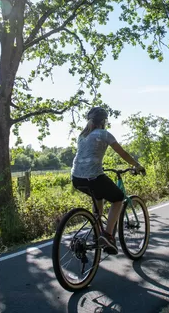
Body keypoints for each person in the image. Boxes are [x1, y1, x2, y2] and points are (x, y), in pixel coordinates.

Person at [71, 106, 145, 255]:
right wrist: (137, 165)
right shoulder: (104, 134)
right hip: (94, 177)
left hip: (77, 178)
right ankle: (108, 236)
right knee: (118, 198)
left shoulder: (82, 135)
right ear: (104, 121)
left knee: (98, 198)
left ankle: (97, 233)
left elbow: (88, 155)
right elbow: (122, 153)